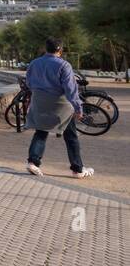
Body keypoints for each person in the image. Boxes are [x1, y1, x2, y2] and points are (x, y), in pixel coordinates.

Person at [24, 37, 94, 179]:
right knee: (71, 136)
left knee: (41, 132)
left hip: (40, 101)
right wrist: (78, 109)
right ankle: (77, 169)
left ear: (46, 49)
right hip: (60, 106)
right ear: (60, 51)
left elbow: (29, 83)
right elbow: (71, 90)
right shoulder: (64, 66)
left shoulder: (34, 63)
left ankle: (33, 162)